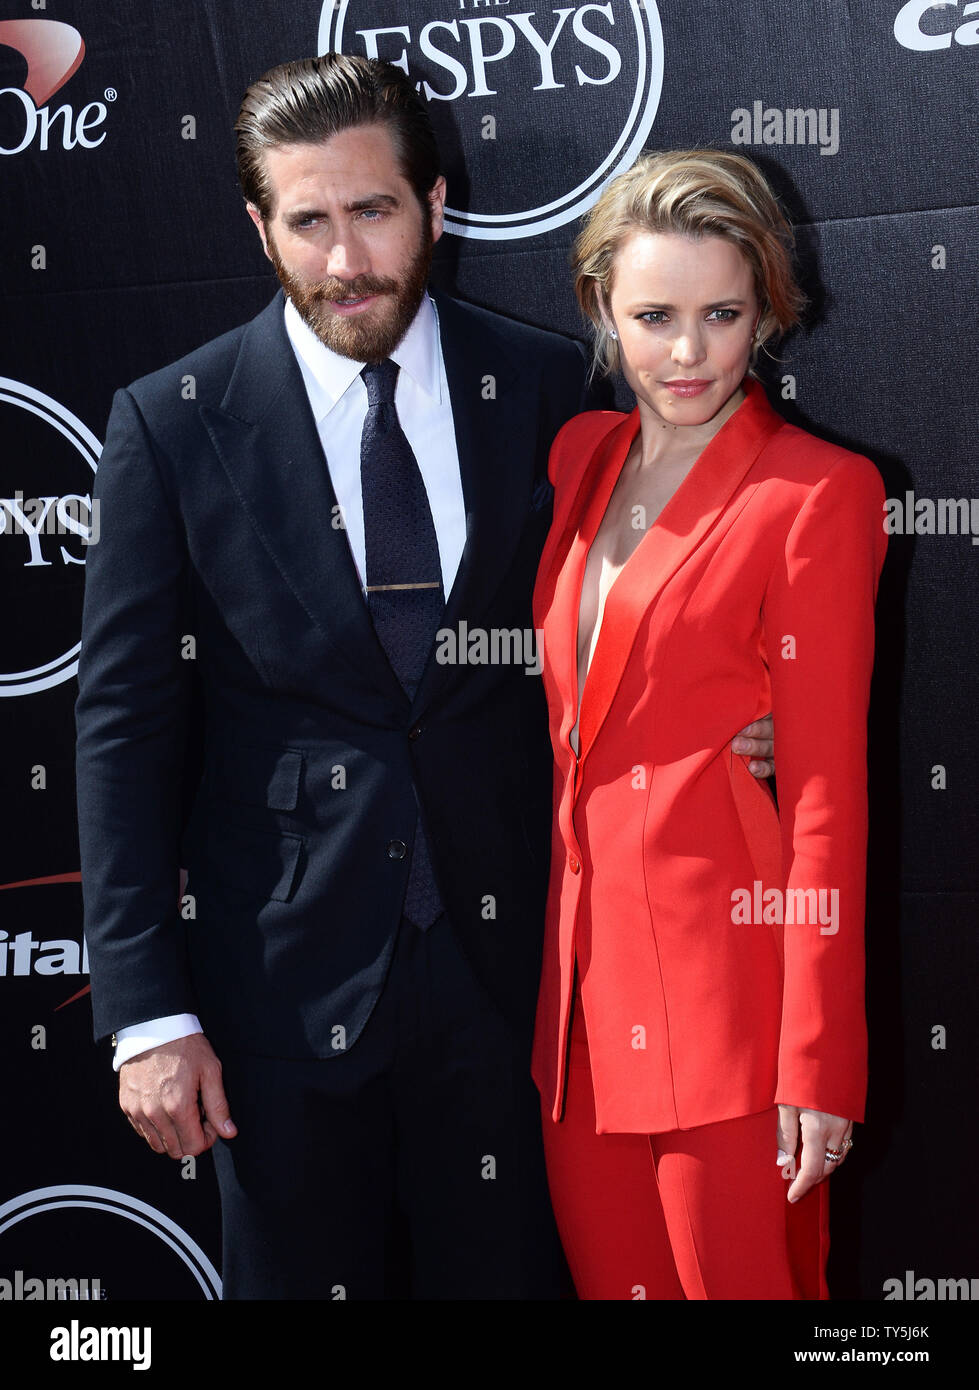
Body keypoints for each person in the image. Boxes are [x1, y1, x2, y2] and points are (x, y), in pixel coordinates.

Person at [74, 58, 775, 1301]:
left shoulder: (551, 387)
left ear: (437, 204)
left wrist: (733, 724)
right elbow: (123, 730)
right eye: (309, 220)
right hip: (274, 991)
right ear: (260, 227)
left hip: (517, 978)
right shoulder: (173, 421)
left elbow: (625, 625)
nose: (347, 258)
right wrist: (145, 1012)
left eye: (376, 211)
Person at [531, 149, 888, 1300]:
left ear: (765, 310)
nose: (687, 353)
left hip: (735, 1016)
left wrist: (817, 1060)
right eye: (654, 315)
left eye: (721, 314)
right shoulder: (579, 460)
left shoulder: (814, 494)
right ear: (601, 308)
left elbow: (828, 795)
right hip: (581, 1023)